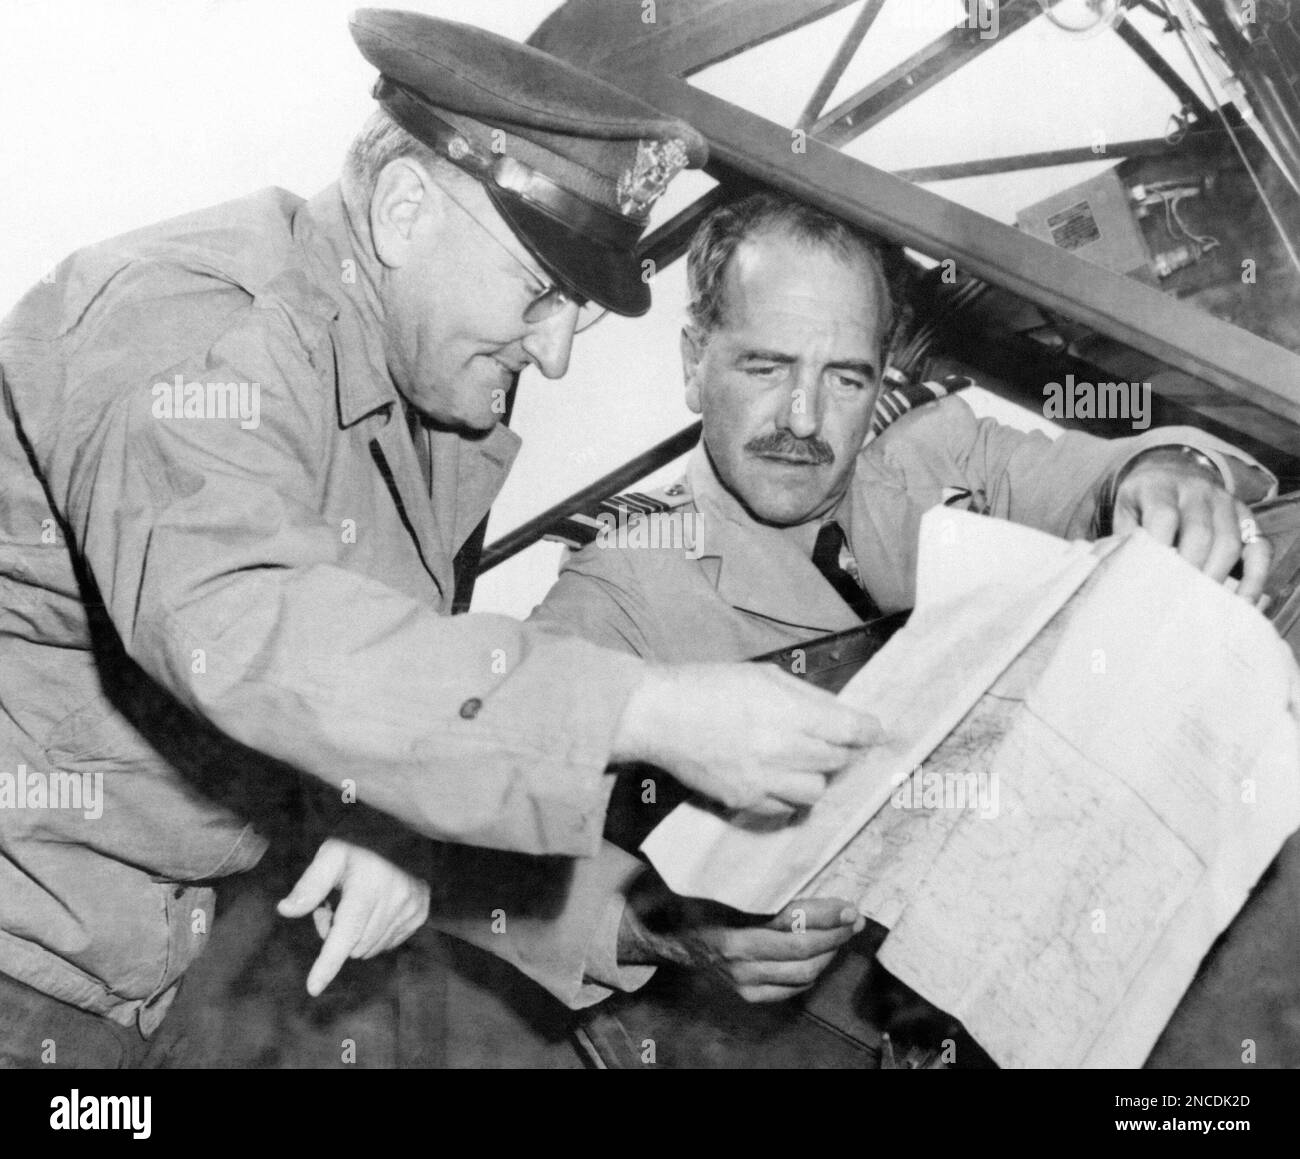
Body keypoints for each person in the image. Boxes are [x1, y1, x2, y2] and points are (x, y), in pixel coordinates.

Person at [0, 13, 879, 1067]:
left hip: (129, 977)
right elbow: (242, 624)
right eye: (543, 293)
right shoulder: (195, 319)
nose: (552, 355)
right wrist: (647, 706)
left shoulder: (421, 408)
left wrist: (388, 825)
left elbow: (369, 686)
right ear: (407, 207)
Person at [524, 189, 1277, 1006]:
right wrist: (648, 929)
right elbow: (465, 818)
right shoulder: (622, 587)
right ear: (693, 363)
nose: (804, 420)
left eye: (845, 378)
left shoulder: (932, 448)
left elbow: (1094, 480)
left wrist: (1172, 474)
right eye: (766, 367)